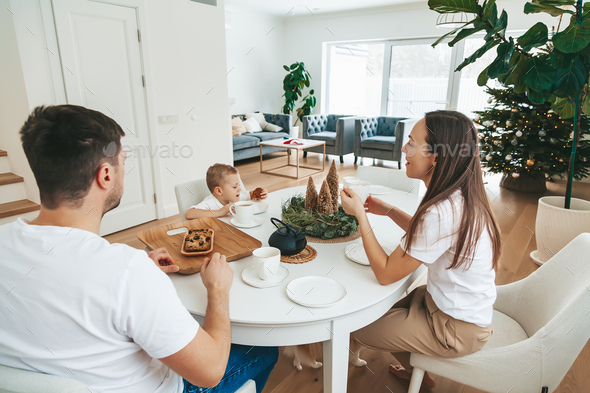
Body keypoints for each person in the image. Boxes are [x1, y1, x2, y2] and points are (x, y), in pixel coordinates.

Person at [0, 105, 278, 393]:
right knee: (265, 350)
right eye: (123, 160)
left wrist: (137, 266)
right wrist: (217, 291)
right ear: (105, 175)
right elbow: (210, 372)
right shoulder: (127, 272)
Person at [340, 110, 501, 388]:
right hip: (453, 308)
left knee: (356, 326)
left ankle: (422, 369)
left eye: (412, 143)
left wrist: (360, 216)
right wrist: (388, 210)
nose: (404, 148)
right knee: (372, 310)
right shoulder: (458, 194)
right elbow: (428, 234)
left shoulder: (441, 211)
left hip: (455, 329)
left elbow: (386, 273)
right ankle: (420, 373)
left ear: (435, 157)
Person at [185, 163, 267, 220]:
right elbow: (189, 213)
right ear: (219, 191)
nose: (239, 189)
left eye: (239, 185)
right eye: (235, 186)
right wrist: (220, 212)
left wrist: (260, 194)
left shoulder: (236, 196)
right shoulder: (210, 202)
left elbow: (250, 194)